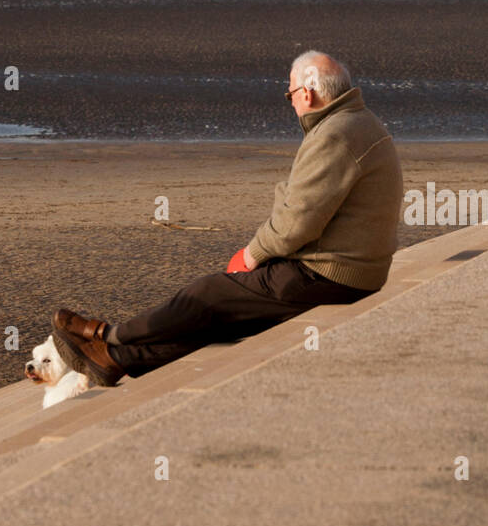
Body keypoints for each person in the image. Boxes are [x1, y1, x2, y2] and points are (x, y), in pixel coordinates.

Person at [50, 51, 404, 386]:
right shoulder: (359, 122)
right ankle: (118, 359)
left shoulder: (334, 135)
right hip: (356, 269)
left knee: (208, 293)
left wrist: (250, 256)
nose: (291, 102)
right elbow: (300, 205)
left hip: (330, 274)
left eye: (290, 93)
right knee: (220, 315)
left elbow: (296, 222)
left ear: (307, 94)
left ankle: (108, 335)